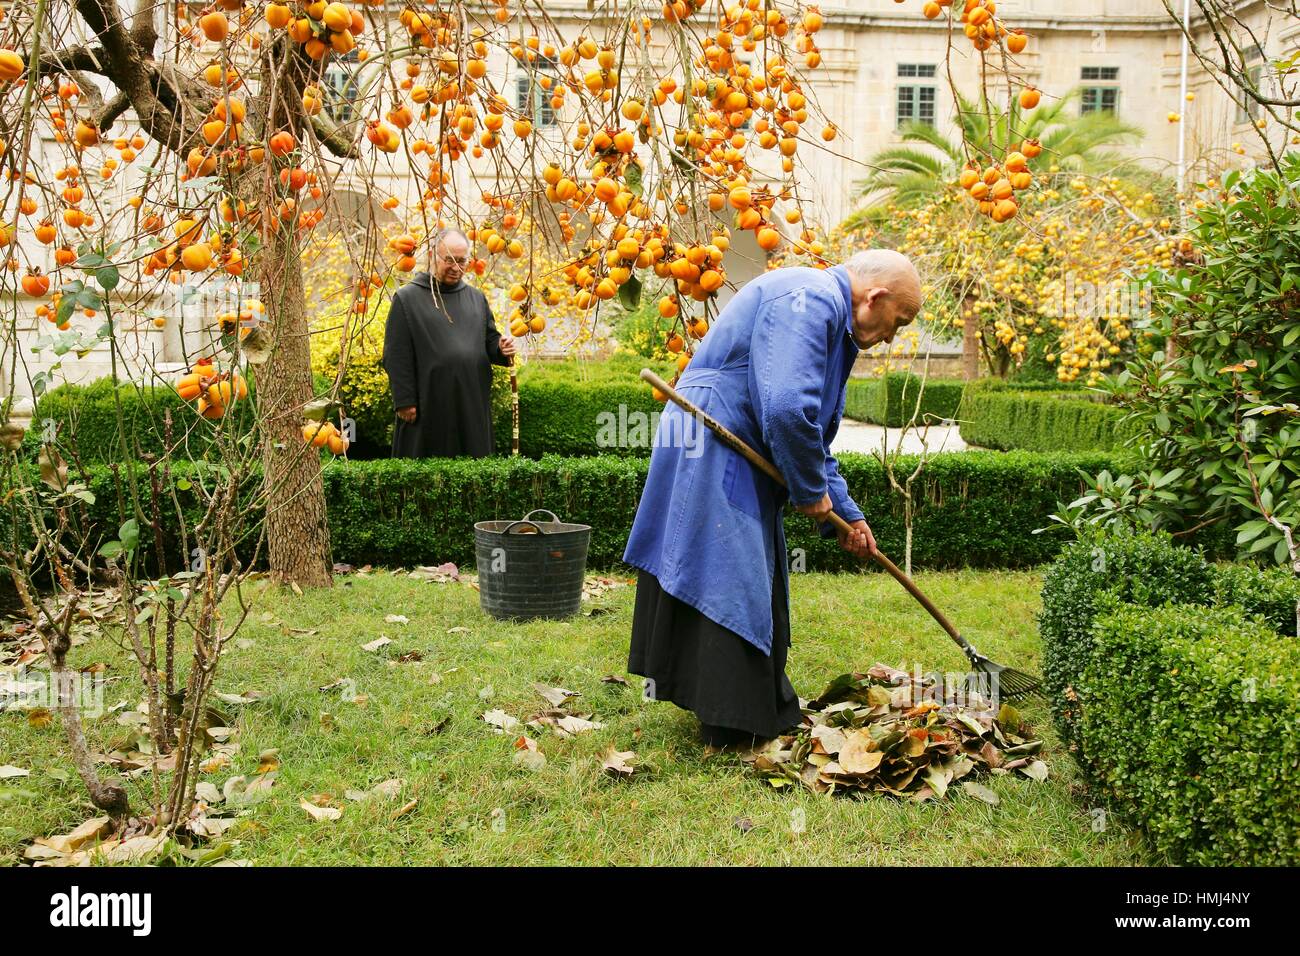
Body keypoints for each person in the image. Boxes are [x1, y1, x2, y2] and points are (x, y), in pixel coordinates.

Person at [623, 249, 922, 748]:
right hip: (713, 441)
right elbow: (785, 411)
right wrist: (809, 493)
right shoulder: (809, 300)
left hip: (730, 443)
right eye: (901, 320)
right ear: (877, 297)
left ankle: (746, 708)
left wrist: (847, 515)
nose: (895, 334)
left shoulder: (825, 314)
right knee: (729, 570)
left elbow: (809, 435)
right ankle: (732, 718)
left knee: (747, 570)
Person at [381, 228, 517, 458]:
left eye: (462, 261)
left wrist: (501, 348)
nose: (457, 267)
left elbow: (490, 340)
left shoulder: (476, 298)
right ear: (433, 255)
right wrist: (404, 401)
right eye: (450, 260)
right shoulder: (407, 299)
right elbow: (396, 354)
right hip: (428, 406)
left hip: (471, 404)